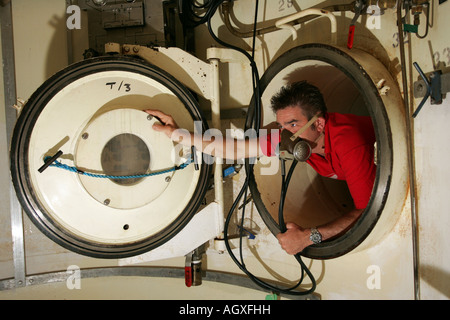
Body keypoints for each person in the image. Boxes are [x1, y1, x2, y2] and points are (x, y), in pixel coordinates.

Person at [145, 81, 376, 255]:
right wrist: (177, 134)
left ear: (318, 123)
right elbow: (233, 150)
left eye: (293, 124)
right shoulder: (296, 139)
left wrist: (309, 237)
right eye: (282, 125)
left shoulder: (349, 142)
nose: (287, 134)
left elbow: (367, 212)